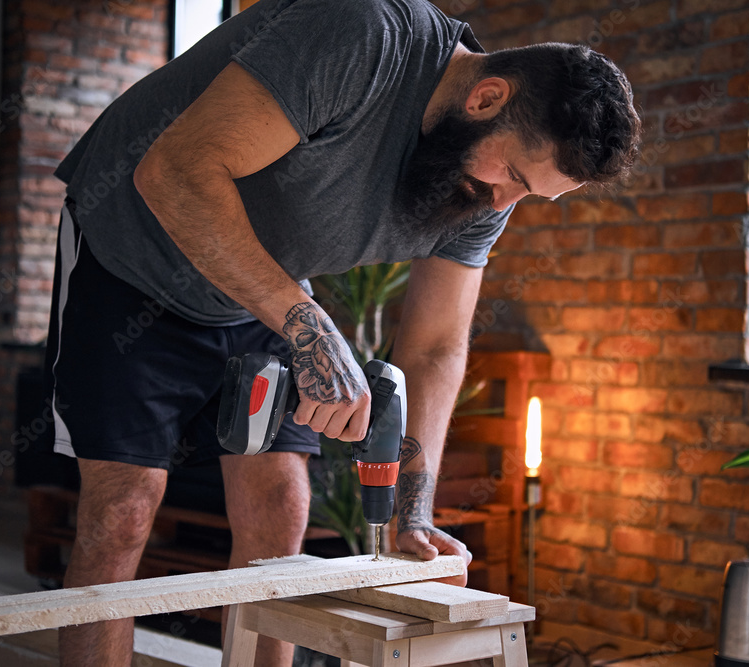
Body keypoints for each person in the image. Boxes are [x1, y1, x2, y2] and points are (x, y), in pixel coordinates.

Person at [44, 0, 641, 664]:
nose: (505, 203)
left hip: (263, 290)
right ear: (486, 97)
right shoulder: (363, 36)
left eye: (533, 195)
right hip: (131, 258)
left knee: (279, 510)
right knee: (120, 514)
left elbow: (435, 343)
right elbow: (174, 172)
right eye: (518, 176)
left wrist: (413, 509)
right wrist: (306, 322)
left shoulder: (480, 190)